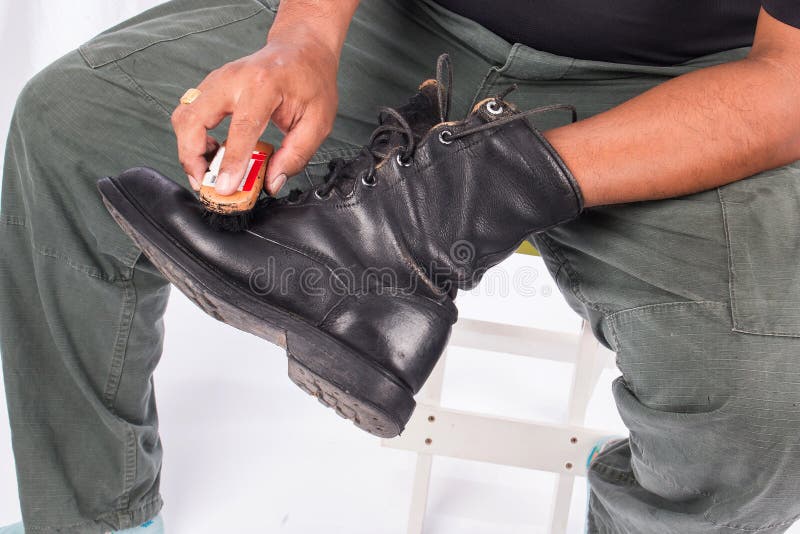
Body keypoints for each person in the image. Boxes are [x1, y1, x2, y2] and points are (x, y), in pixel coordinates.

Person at [2, 0, 799, 532]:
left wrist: (480, 184)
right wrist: (306, 37)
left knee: (767, 386)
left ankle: (655, 502)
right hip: (414, 25)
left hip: (686, 90)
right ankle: (99, 519)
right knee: (67, 125)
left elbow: (789, 78)